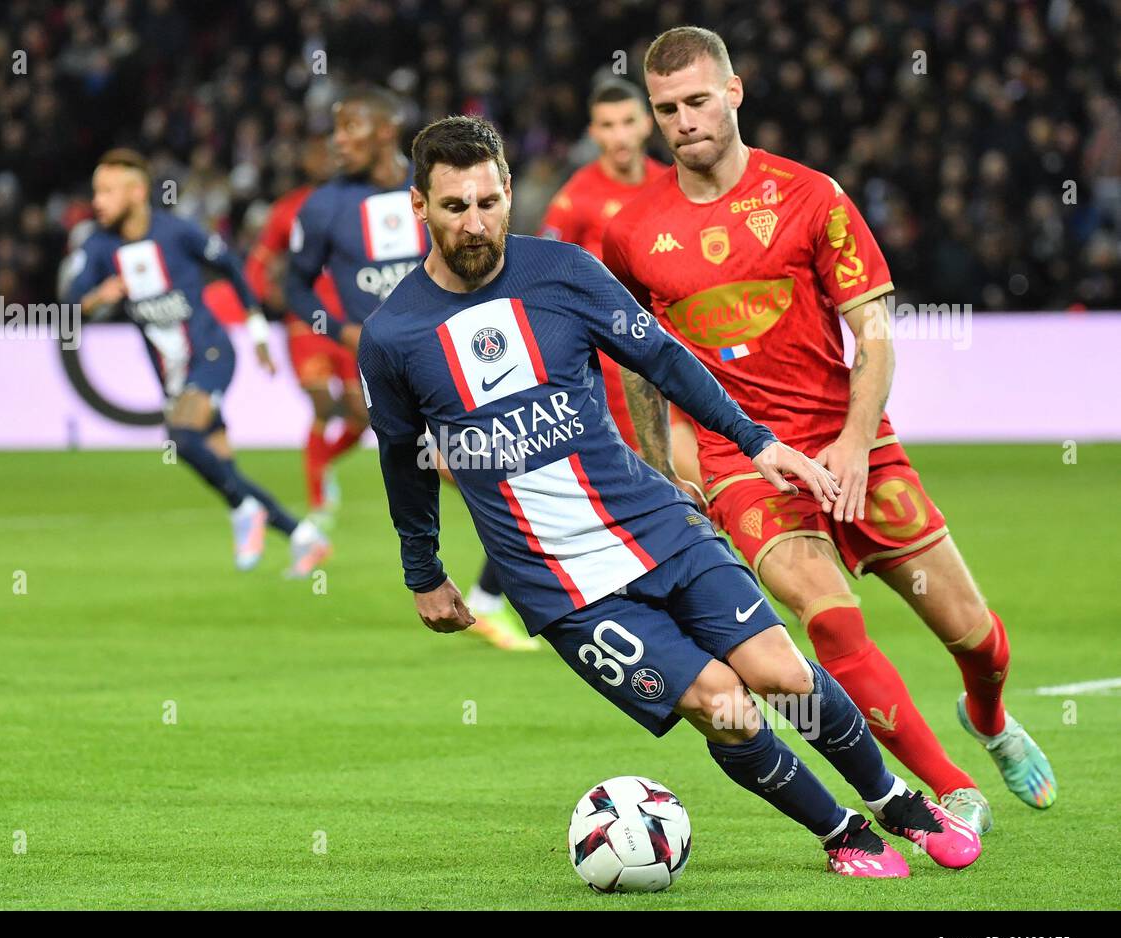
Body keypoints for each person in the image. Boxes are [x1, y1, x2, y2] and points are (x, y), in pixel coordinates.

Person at [358, 114, 981, 877]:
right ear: (419, 205)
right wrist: (423, 572)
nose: (476, 222)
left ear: (509, 191)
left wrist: (757, 443)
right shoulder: (393, 337)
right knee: (724, 704)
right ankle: (843, 833)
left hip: (657, 526)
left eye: (489, 201)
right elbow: (403, 460)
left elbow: (666, 360)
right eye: (455, 207)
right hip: (562, 585)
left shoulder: (564, 274)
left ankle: (897, 802)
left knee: (784, 674)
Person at [605, 26, 1056, 834]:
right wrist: (656, 468)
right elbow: (640, 363)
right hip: (745, 459)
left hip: (855, 445)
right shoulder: (632, 231)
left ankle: (986, 719)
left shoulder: (812, 195)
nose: (684, 121)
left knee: (977, 638)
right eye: (667, 108)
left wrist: (851, 444)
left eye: (699, 101)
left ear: (734, 93)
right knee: (829, 620)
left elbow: (874, 335)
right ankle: (950, 791)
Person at [288, 86, 535, 652]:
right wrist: (339, 330)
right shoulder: (324, 206)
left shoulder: (442, 188)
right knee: (486, 475)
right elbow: (291, 284)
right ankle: (483, 596)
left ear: (384, 129)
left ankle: (498, 595)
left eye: (350, 127)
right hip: (391, 371)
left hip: (467, 352)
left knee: (510, 474)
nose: (338, 140)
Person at [64, 148, 330, 576]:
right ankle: (303, 536)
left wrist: (258, 331)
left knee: (182, 437)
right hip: (172, 373)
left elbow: (230, 266)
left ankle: (246, 510)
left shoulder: (177, 233)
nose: (97, 201)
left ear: (136, 192)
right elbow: (69, 307)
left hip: (210, 353)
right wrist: (98, 298)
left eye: (107, 191)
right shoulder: (98, 247)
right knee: (222, 470)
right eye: (96, 191)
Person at [539, 77, 671, 458]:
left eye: (628, 122)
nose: (620, 136)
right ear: (593, 132)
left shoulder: (671, 183)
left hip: (675, 342)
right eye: (608, 126)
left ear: (647, 123)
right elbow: (543, 275)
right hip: (616, 357)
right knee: (651, 464)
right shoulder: (576, 198)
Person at [246, 132, 351, 523]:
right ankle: (318, 503)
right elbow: (257, 264)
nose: (323, 161)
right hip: (305, 325)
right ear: (306, 164)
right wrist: (263, 298)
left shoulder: (356, 202)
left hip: (352, 325)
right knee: (324, 404)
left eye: (329, 155)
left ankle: (322, 463)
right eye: (316, 155)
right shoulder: (287, 210)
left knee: (360, 416)